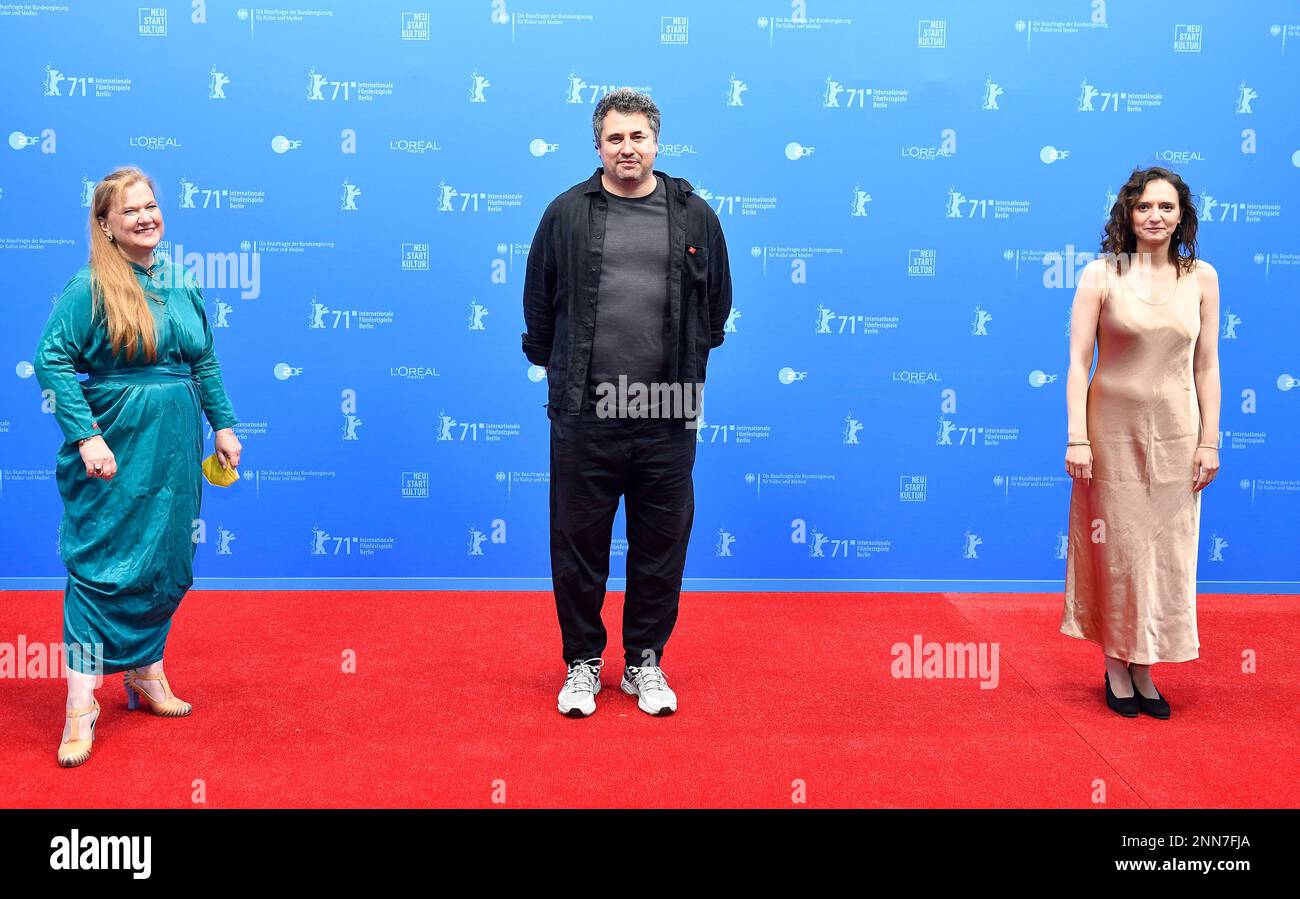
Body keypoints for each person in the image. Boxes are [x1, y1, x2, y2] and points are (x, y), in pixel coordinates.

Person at [522, 88, 732, 717]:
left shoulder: (696, 217)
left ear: (657, 141)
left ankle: (645, 661)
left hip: (665, 408)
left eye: (637, 137)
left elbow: (716, 307)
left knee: (661, 543)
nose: (627, 148)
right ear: (598, 146)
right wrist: (562, 372)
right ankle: (582, 665)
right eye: (615, 138)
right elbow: (539, 304)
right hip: (586, 411)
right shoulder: (565, 213)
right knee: (578, 545)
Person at [34, 166, 242, 766]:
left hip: (176, 439)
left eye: (151, 205)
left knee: (164, 555)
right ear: (106, 224)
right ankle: (80, 705)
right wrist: (86, 437)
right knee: (103, 564)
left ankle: (146, 676)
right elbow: (51, 360)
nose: (146, 217)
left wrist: (223, 425)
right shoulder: (88, 286)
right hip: (115, 441)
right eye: (130, 211)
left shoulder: (181, 280)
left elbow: (204, 360)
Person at [1061, 166, 1221, 719]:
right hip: (1110, 432)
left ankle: (1146, 665)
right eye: (1145, 207)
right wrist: (1077, 438)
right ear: (1128, 214)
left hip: (1178, 432)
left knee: (1166, 551)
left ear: (1182, 216)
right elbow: (1080, 362)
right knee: (1119, 548)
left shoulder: (1202, 277)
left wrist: (1210, 441)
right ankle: (1114, 663)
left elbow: (1207, 366)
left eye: (1167, 207)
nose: (1156, 216)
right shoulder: (1100, 274)